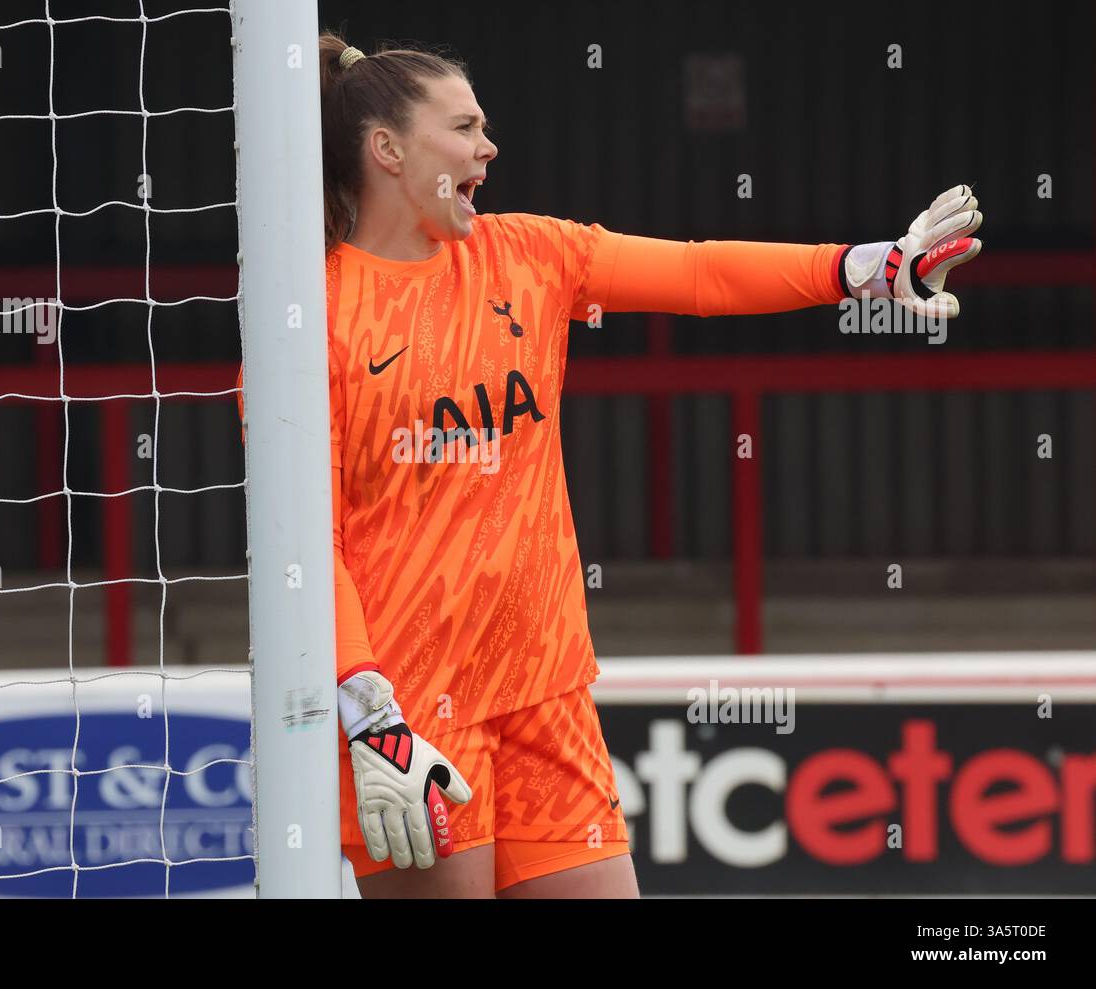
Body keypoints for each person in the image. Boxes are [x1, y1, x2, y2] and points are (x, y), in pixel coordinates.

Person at [318, 32, 982, 899]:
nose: (489, 147)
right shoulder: (315, 314)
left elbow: (701, 274)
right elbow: (306, 544)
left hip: (547, 692)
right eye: (466, 126)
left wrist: (865, 267)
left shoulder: (529, 255)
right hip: (412, 714)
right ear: (389, 149)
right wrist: (372, 720)